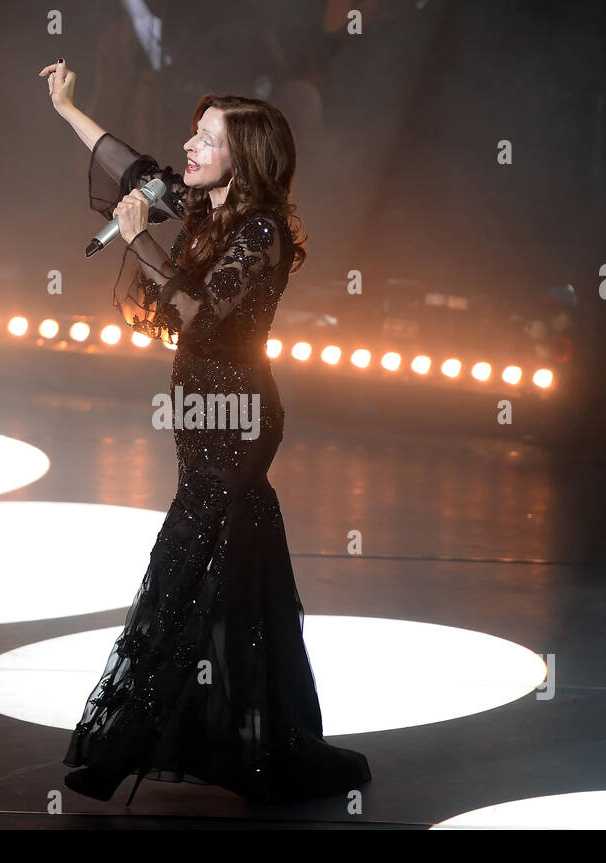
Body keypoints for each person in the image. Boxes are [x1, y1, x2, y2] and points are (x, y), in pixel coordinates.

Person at [41, 59, 371, 807]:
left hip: (239, 419)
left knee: (185, 567)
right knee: (235, 577)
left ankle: (120, 747)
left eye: (206, 139)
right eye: (193, 133)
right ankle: (259, 740)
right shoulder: (203, 210)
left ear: (242, 160)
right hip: (200, 415)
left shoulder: (260, 234)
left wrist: (139, 246)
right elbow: (130, 165)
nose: (188, 147)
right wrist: (68, 108)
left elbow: (204, 319)